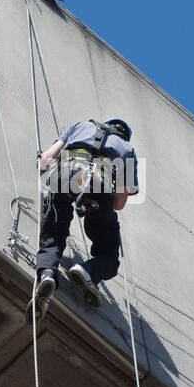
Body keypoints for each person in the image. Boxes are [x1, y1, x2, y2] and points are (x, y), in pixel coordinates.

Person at [29, 117, 139, 320]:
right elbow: (119, 204)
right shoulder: (127, 149)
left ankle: (47, 273)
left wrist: (46, 172)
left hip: (65, 175)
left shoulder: (81, 126)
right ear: (124, 135)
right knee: (109, 255)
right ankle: (87, 271)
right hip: (99, 187)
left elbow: (46, 159)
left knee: (54, 228)